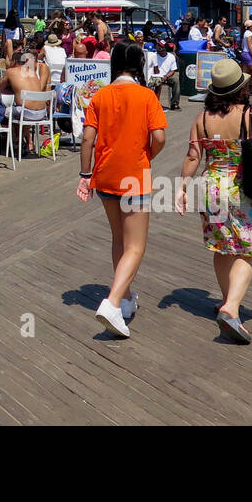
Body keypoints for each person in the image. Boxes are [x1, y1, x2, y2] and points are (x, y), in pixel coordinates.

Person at [174, 58, 252, 343]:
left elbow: (193, 156)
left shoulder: (202, 119)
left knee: (222, 247)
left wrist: (181, 188)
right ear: (241, 87)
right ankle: (231, 306)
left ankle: (228, 301)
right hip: (243, 189)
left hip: (212, 187)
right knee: (246, 249)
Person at [76, 41, 167, 339]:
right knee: (136, 246)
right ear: (139, 64)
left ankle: (125, 298)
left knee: (119, 239)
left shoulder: (100, 95)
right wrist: (146, 156)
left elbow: (87, 138)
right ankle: (113, 302)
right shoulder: (146, 95)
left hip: (105, 175)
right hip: (134, 176)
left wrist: (85, 175)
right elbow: (160, 137)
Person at [0, 51, 49, 158]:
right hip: (42, 113)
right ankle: (19, 139)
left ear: (14, 61)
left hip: (26, 112)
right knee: (19, 112)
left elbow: (0, 89)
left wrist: (14, 91)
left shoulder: (11, 71)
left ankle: (14, 141)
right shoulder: (32, 72)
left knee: (4, 111)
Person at [147, 38, 180, 110]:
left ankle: (174, 103)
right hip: (154, 76)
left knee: (176, 80)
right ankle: (155, 104)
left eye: (161, 47)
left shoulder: (171, 57)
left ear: (165, 48)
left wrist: (166, 76)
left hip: (166, 76)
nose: (159, 49)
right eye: (158, 46)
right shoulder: (153, 55)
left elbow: (173, 70)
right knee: (158, 81)